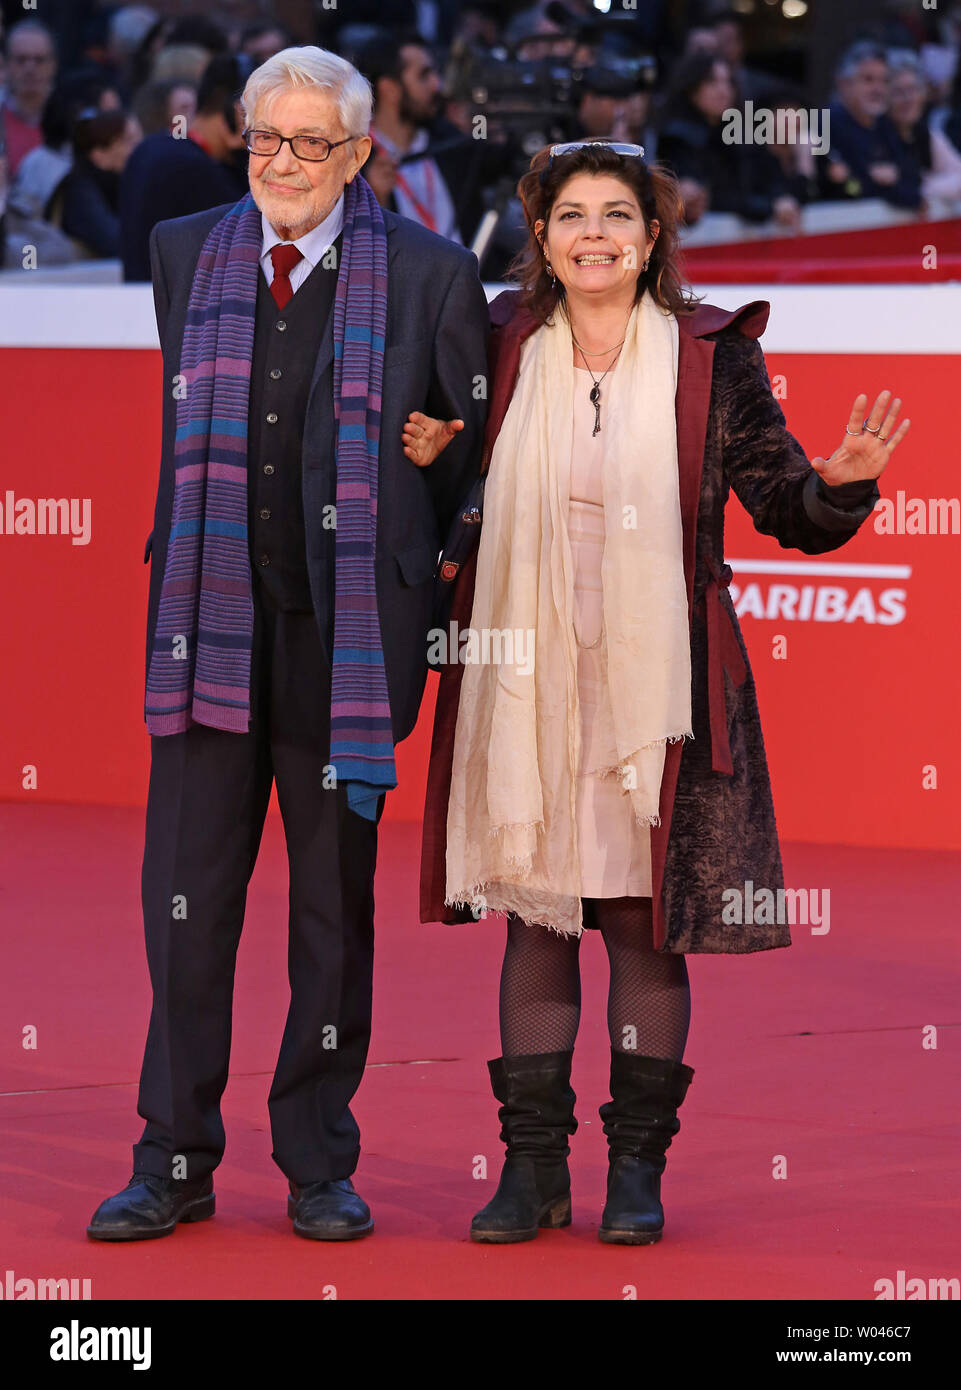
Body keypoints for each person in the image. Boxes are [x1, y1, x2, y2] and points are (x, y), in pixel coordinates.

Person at [417, 138, 910, 1244]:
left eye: (617, 215)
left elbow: (782, 502)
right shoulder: (496, 338)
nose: (594, 233)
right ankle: (531, 1170)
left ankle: (635, 1174)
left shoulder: (709, 355)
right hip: (521, 675)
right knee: (536, 924)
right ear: (539, 234)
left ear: (651, 239)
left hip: (664, 690)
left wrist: (838, 492)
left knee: (644, 929)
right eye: (572, 214)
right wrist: (428, 456)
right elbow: (444, 477)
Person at [86, 43, 489, 1243]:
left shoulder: (431, 273)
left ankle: (319, 1157)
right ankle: (173, 1154)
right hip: (206, 630)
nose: (288, 162)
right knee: (186, 906)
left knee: (330, 914)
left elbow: (476, 457)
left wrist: (438, 458)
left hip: (350, 641)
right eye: (268, 138)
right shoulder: (180, 254)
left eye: (315, 141)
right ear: (240, 140)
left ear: (359, 152)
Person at [119, 54, 249, 281]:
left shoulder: (150, 148)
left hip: (138, 301)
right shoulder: (197, 169)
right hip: (175, 309)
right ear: (240, 113)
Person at [657, 52, 801, 230]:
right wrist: (769, 206)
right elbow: (715, 197)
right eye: (712, 82)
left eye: (728, 82)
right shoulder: (678, 140)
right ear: (692, 89)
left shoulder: (738, 134)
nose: (723, 90)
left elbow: (766, 176)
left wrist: (780, 198)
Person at [819, 42, 923, 210]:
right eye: (868, 80)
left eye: (884, 81)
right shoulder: (824, 125)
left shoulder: (884, 124)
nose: (878, 89)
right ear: (844, 84)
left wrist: (890, 182)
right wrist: (877, 181)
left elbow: (914, 182)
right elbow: (848, 189)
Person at [888, 50, 961, 205]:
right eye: (898, 92)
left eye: (913, 89)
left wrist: (924, 187)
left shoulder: (927, 135)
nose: (908, 99)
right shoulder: (875, 134)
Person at [0, 19, 58, 180]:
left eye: (39, 60)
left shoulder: (70, 117)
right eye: (21, 59)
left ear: (53, 65)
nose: (30, 68)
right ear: (6, 64)